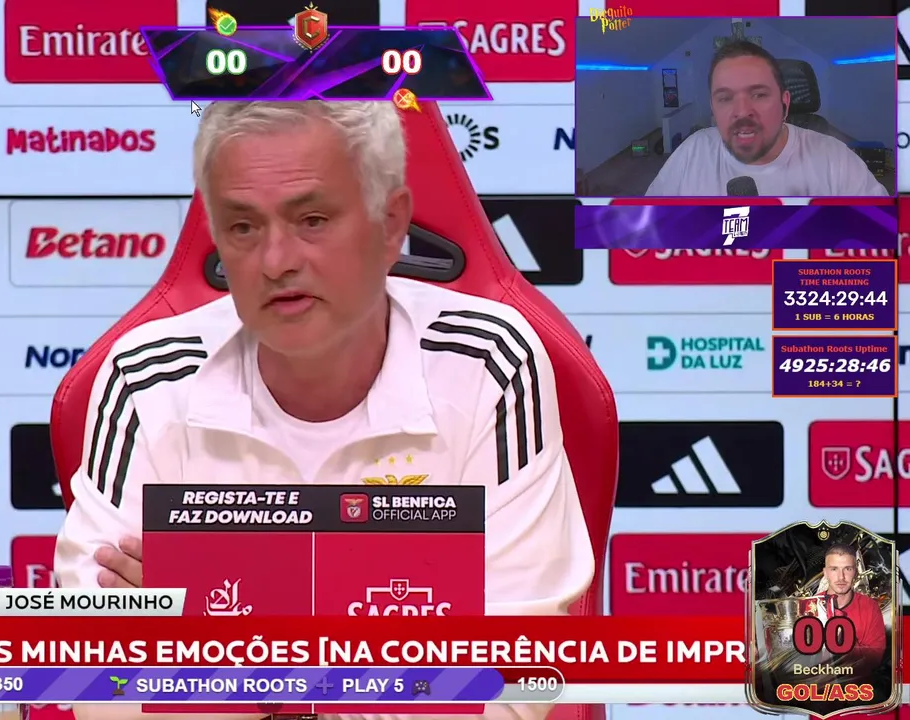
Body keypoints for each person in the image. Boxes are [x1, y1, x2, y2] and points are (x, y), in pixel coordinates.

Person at [53, 100, 595, 720]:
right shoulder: (146, 375)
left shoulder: (487, 363)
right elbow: (93, 682)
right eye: (243, 227)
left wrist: (232, 649)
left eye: (311, 220)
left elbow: (511, 685)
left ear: (390, 224)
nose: (276, 261)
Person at [645, 40, 887, 197]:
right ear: (713, 108)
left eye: (759, 94)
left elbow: (883, 240)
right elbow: (646, 233)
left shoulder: (836, 161)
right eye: (725, 98)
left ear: (785, 103)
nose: (742, 111)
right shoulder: (691, 153)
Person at [821, 542, 886, 675]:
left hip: (857, 685)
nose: (841, 577)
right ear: (825, 573)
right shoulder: (809, 606)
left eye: (848, 569)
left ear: (855, 572)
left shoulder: (870, 607)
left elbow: (875, 657)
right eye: (834, 569)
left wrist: (845, 643)